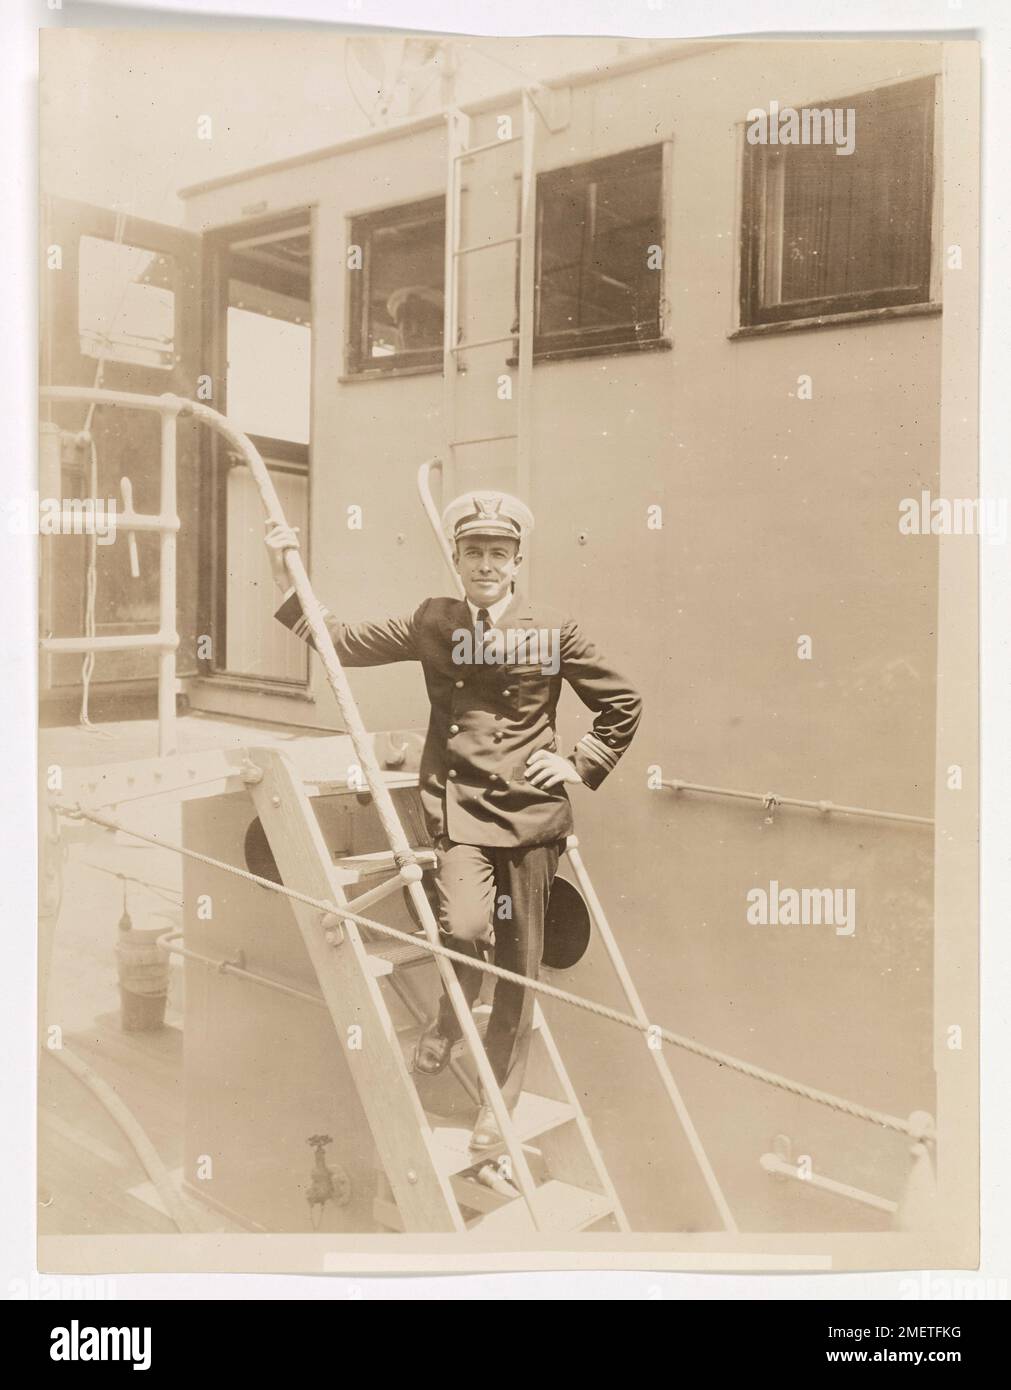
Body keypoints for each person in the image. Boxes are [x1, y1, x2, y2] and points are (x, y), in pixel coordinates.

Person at [264, 491, 642, 1150]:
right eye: (474, 552)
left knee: (519, 969)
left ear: (517, 561)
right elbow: (343, 642)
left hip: (530, 819)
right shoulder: (432, 622)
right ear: (457, 558)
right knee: (463, 925)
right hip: (459, 810)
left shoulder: (553, 627)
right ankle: (446, 1021)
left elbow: (622, 702)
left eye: (499, 553)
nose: (486, 564)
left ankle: (497, 1100)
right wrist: (282, 573)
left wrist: (580, 764)